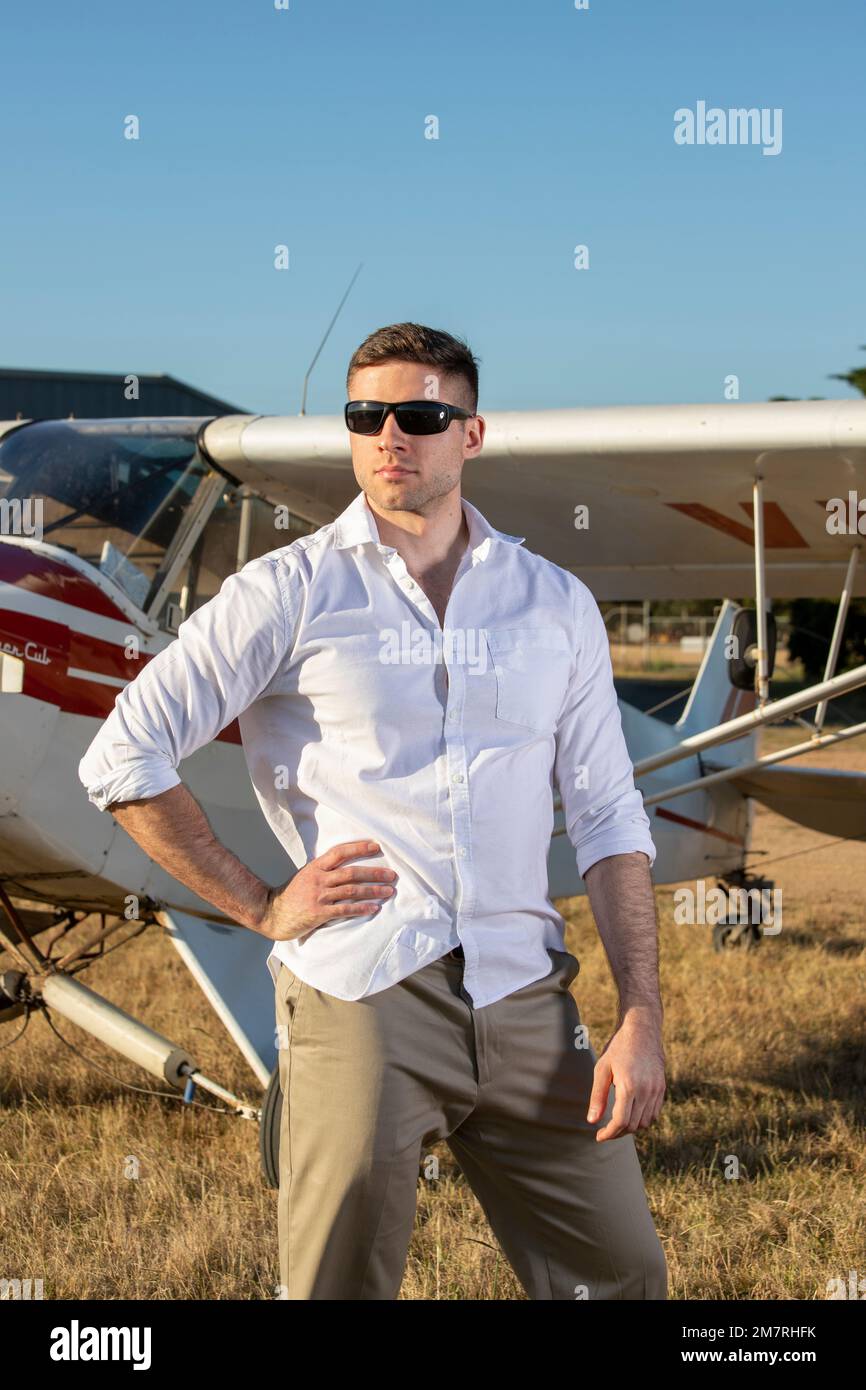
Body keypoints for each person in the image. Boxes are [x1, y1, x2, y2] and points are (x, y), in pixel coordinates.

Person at [79, 321, 668, 1301]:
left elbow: (608, 818)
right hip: (362, 993)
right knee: (336, 1287)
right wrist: (261, 904)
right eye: (365, 415)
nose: (389, 434)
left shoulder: (554, 604)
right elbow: (125, 754)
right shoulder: (283, 591)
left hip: (527, 997)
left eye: (419, 413)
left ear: (469, 434)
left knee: (620, 1274)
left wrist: (640, 1013)